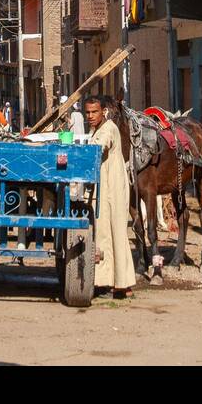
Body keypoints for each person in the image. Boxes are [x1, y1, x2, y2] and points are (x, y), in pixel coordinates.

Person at [83, 96, 136, 295]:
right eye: (87, 112)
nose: (90, 116)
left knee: (116, 233)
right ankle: (107, 280)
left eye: (94, 112)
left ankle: (123, 284)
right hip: (102, 189)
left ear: (103, 111)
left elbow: (99, 148)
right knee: (104, 233)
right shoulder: (95, 129)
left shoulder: (108, 129)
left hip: (112, 189)